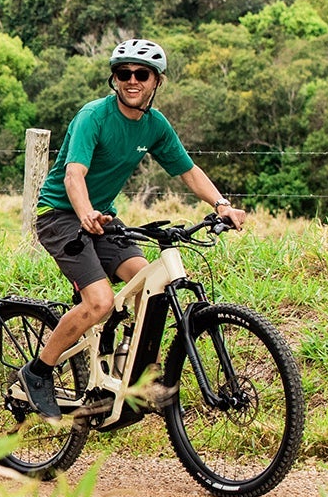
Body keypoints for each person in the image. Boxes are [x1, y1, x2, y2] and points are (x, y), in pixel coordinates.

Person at [19, 38, 246, 417]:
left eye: (142, 74)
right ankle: (38, 372)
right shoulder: (94, 116)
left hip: (103, 217)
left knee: (149, 285)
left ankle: (132, 373)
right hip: (60, 214)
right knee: (100, 301)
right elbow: (74, 175)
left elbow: (188, 171)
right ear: (115, 79)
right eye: (124, 74)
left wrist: (221, 205)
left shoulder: (154, 126)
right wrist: (85, 213)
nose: (132, 81)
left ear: (157, 81)